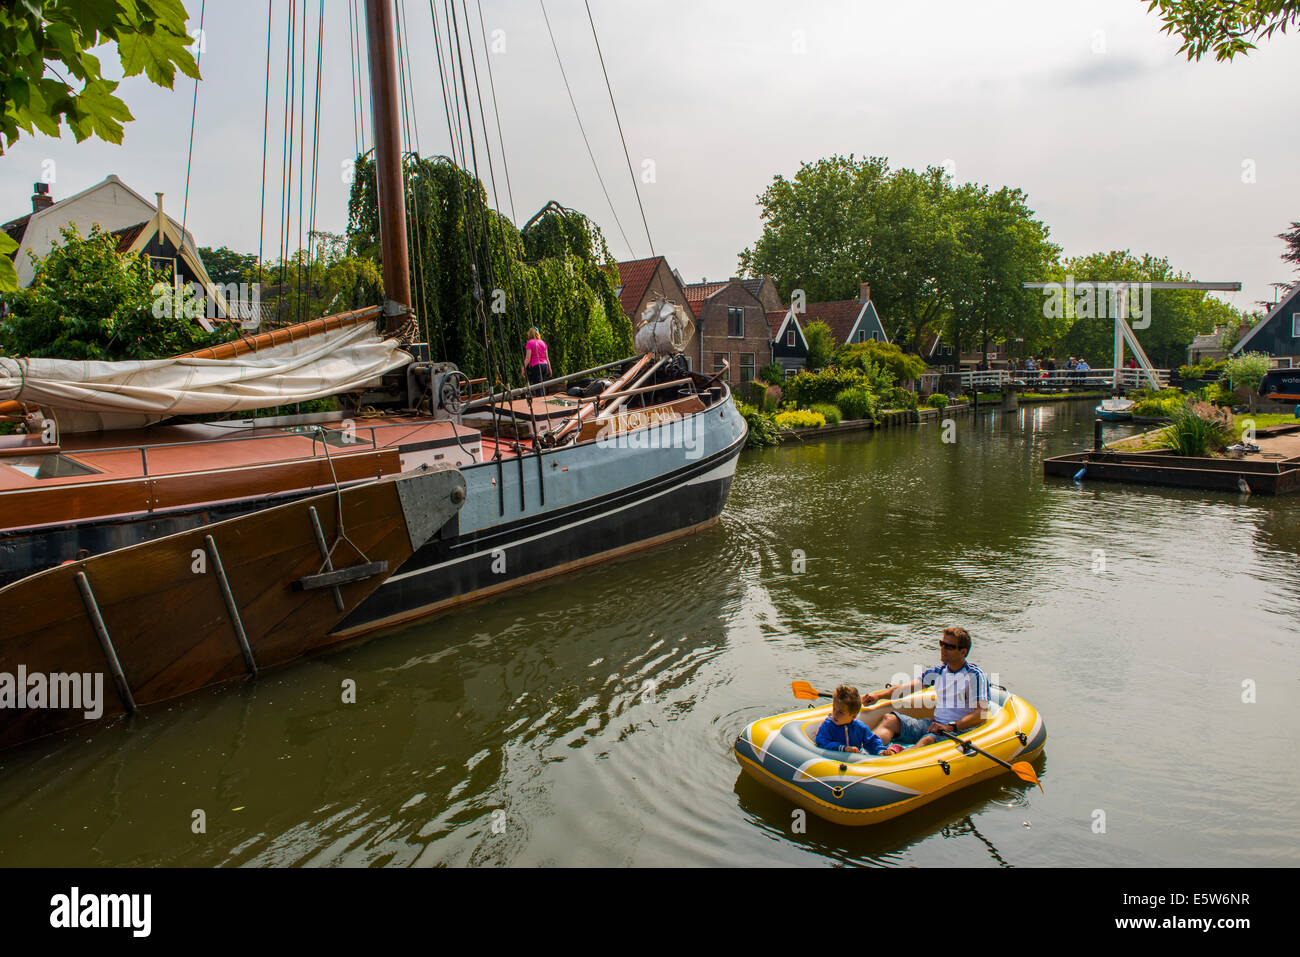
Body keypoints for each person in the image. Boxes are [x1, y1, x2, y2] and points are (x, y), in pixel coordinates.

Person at [869, 627, 990, 749]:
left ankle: (896, 757)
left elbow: (981, 713)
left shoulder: (975, 675)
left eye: (949, 646)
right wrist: (878, 696)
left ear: (963, 652)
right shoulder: (938, 671)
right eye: (942, 644)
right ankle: (867, 752)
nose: (943, 649)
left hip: (959, 731)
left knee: (927, 740)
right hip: (935, 724)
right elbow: (906, 688)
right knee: (890, 719)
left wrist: (951, 727)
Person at [815, 685, 905, 755]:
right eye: (834, 709)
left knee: (876, 748)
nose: (835, 714)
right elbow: (821, 741)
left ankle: (893, 749)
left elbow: (872, 741)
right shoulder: (828, 725)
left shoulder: (859, 727)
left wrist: (880, 751)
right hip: (834, 757)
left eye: (841, 712)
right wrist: (842, 748)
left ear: (853, 716)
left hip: (855, 760)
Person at [522, 327, 551, 396]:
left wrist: (523, 368)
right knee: (543, 386)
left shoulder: (529, 343)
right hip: (545, 366)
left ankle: (540, 400)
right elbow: (547, 357)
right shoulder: (543, 343)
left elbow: (528, 358)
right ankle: (543, 400)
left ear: (530, 334)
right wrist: (550, 368)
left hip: (536, 366)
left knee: (538, 387)